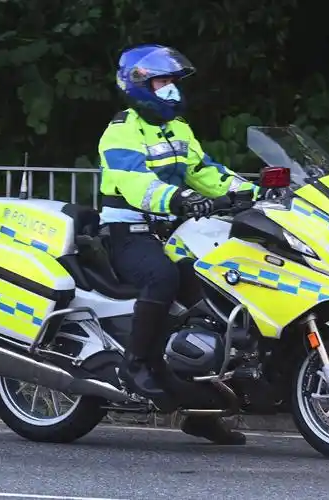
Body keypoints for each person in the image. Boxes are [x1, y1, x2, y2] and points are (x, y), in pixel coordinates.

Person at [97, 44, 257, 445]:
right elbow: (136, 183)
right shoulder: (121, 131)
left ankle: (202, 408)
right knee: (163, 277)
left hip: (171, 231)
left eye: (172, 81)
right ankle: (134, 364)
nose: (170, 89)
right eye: (161, 81)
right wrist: (178, 199)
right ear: (139, 85)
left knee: (213, 294)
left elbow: (208, 172)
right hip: (129, 231)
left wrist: (256, 195)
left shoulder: (179, 129)